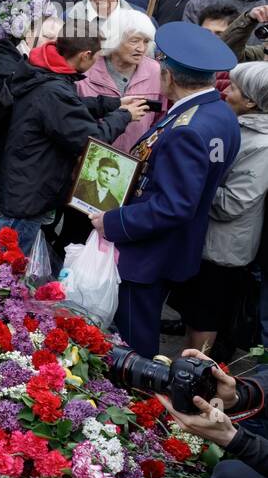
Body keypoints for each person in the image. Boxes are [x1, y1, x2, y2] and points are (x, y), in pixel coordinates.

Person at [95, 22, 242, 358]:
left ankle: (139, 400)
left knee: (133, 343)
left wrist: (114, 223)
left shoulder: (187, 129)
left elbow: (173, 205)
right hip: (173, 247)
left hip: (150, 252)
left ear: (169, 76)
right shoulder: (218, 112)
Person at [0, 17, 146, 254]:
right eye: (96, 56)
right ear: (85, 55)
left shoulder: (44, 70)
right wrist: (124, 116)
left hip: (25, 187)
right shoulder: (53, 89)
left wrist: (112, 104)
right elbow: (90, 139)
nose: (97, 61)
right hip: (28, 197)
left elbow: (66, 108)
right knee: (6, 274)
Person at [165, 62, 268, 353]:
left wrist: (192, 188)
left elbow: (234, 203)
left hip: (223, 250)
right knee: (194, 312)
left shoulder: (262, 145)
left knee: (204, 319)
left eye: (234, 88)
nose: (226, 91)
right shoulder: (239, 125)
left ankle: (194, 381)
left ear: (251, 101)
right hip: (206, 242)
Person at [75, 10, 163, 153]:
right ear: (114, 39)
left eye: (146, 41)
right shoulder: (87, 70)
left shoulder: (155, 71)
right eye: (134, 41)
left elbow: (160, 120)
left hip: (133, 161)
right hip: (86, 157)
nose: (141, 48)